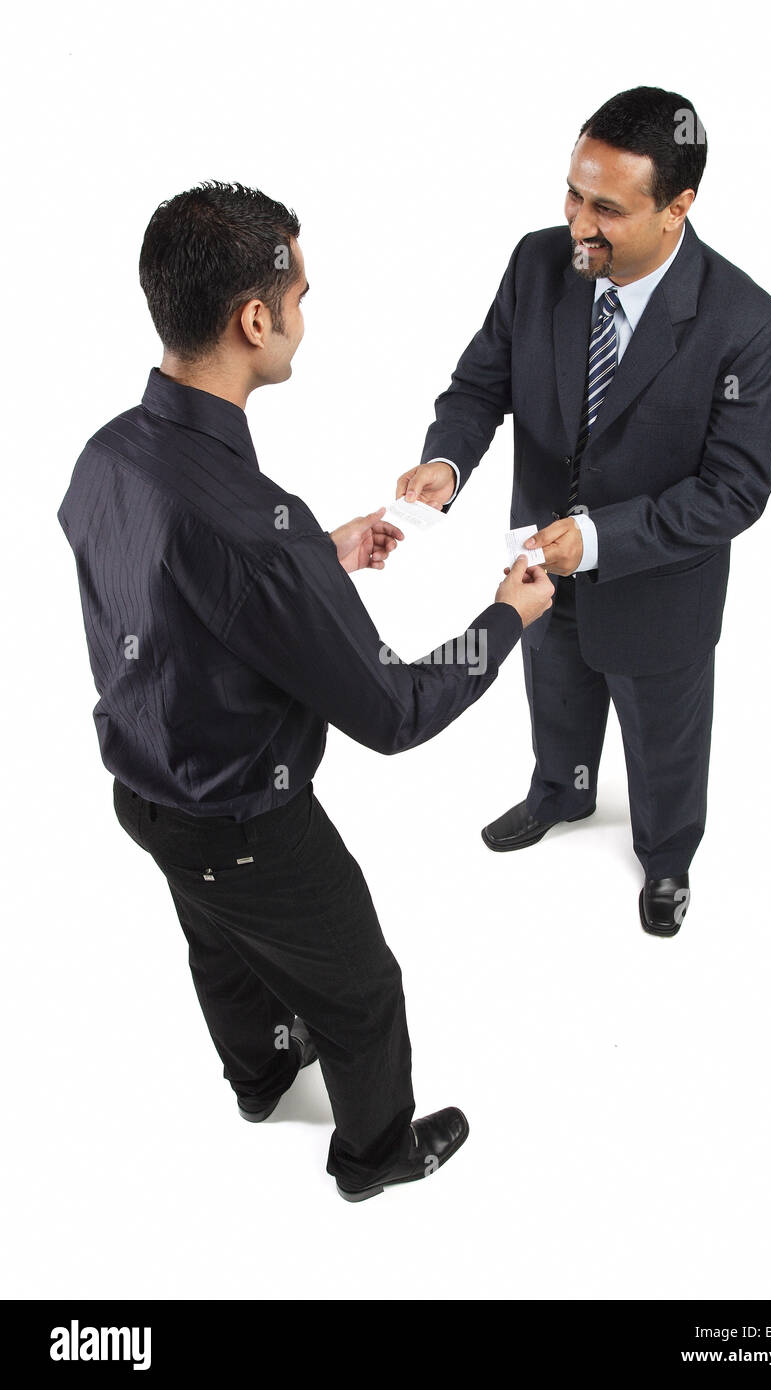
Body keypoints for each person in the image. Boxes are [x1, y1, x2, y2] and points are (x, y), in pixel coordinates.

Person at [57, 182, 553, 1202]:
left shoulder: (107, 453)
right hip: (248, 824)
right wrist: (505, 616)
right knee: (364, 990)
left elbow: (171, 589)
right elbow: (393, 710)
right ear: (253, 317)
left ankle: (259, 1077)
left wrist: (318, 557)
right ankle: (374, 1152)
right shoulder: (254, 526)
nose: (301, 317)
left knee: (217, 939)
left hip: (146, 796)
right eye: (301, 295)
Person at [398, 86, 771, 937]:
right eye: (573, 194)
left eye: (607, 208)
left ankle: (667, 858)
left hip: (656, 587)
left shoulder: (748, 325)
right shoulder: (539, 264)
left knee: (664, 745)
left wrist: (605, 540)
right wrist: (447, 459)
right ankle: (559, 797)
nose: (580, 225)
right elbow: (479, 385)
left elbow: (734, 490)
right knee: (557, 695)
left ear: (677, 207)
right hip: (539, 562)